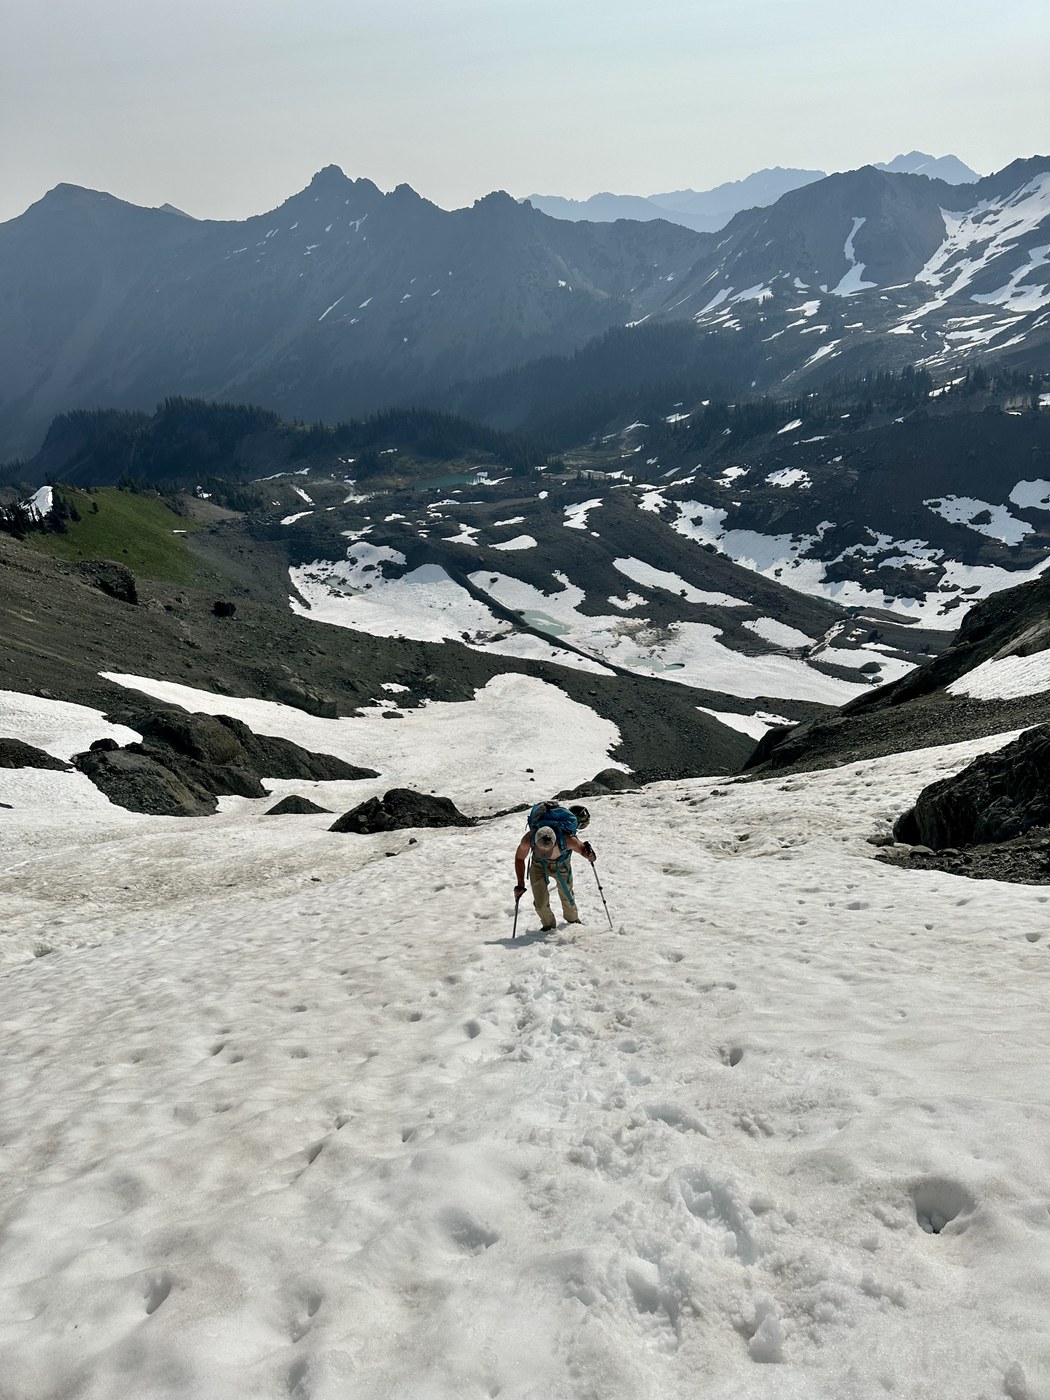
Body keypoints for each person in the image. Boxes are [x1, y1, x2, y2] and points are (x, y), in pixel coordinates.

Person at [513, 803, 596, 932]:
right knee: (540, 903)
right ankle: (548, 926)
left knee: (567, 896)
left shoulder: (569, 840)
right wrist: (520, 884)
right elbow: (519, 858)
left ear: (555, 840)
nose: (545, 853)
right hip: (538, 865)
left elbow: (583, 850)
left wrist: (589, 854)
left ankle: (573, 921)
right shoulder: (527, 839)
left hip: (562, 865)